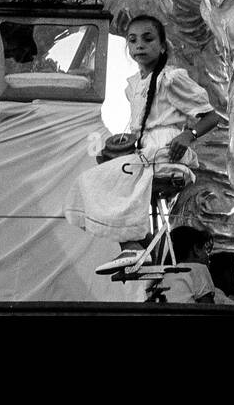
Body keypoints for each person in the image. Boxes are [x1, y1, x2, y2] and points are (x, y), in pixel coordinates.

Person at [65, 15, 224, 274]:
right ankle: (142, 244)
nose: (139, 45)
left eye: (148, 39)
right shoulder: (135, 85)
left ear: (162, 45)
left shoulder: (170, 78)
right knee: (95, 175)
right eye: (133, 40)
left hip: (165, 150)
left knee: (97, 180)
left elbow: (212, 116)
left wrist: (188, 135)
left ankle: (134, 246)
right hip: (147, 150)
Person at [153, 227, 233, 304]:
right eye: (206, 250)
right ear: (196, 249)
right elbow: (208, 309)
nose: (208, 258)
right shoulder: (198, 269)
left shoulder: (160, 276)